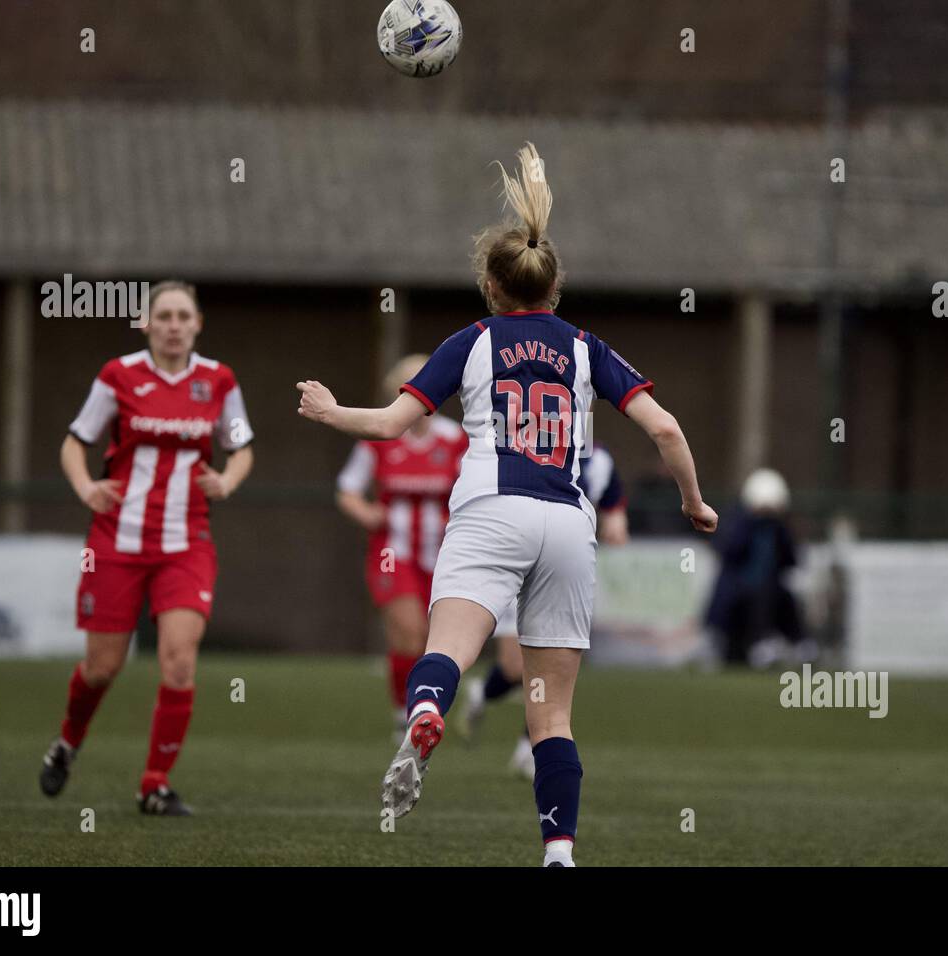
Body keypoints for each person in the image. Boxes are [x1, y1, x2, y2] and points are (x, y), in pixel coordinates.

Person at [297, 142, 717, 866]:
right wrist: (694, 502)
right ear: (554, 292)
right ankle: (559, 853)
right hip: (565, 522)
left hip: (491, 509)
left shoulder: (473, 341)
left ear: (491, 288)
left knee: (447, 652)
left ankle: (426, 709)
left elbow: (396, 424)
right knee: (550, 711)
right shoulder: (588, 348)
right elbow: (667, 429)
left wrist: (333, 411)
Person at [39, 280, 255, 816]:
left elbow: (241, 446)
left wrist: (228, 480)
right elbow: (74, 442)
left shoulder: (218, 379)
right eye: (164, 316)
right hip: (116, 541)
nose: (174, 325)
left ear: (198, 323)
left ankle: (154, 783)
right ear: (147, 323)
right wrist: (87, 487)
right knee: (101, 668)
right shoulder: (119, 375)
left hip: (187, 544)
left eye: (184, 315)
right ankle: (67, 741)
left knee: (179, 662)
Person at [458, 443, 630, 780]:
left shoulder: (601, 462)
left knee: (549, 665)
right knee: (514, 667)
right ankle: (483, 693)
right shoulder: (520, 443)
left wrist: (616, 525)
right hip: (514, 562)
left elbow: (614, 508)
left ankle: (528, 749)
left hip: (560, 570)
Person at [336, 354, 468, 738]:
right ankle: (403, 713)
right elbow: (347, 491)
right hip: (392, 554)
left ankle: (421, 707)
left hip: (443, 555)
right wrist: (365, 512)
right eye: (412, 384)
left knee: (431, 640)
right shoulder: (379, 439)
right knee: (408, 632)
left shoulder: (455, 439)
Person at [703, 468, 807, 667]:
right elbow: (726, 549)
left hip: (770, 594)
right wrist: (751, 522)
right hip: (735, 592)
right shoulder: (737, 521)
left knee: (779, 597)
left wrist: (778, 527)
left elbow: (792, 560)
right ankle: (721, 646)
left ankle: (789, 645)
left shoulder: (779, 528)